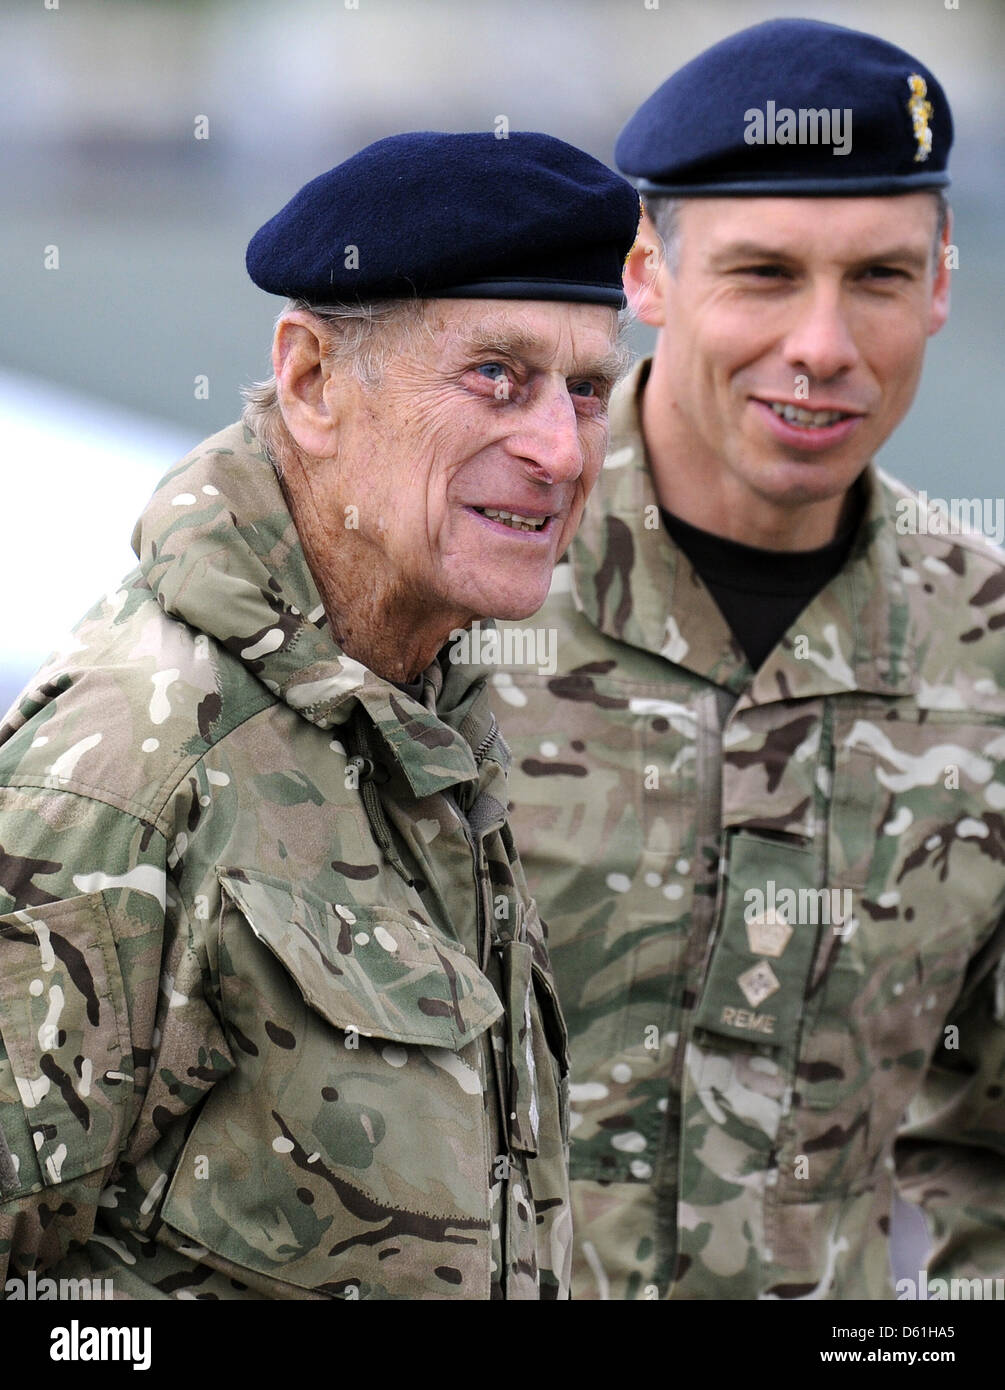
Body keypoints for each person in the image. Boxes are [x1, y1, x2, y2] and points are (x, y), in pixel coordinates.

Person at [0, 130, 640, 1301]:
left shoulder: (417, 706)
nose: (560, 449)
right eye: (496, 374)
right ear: (310, 383)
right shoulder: (136, 764)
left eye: (587, 389)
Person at [496, 19, 1005, 1299]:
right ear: (645, 277)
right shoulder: (450, 588)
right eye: (765, 274)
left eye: (881, 278)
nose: (826, 345)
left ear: (941, 282)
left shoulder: (985, 651)